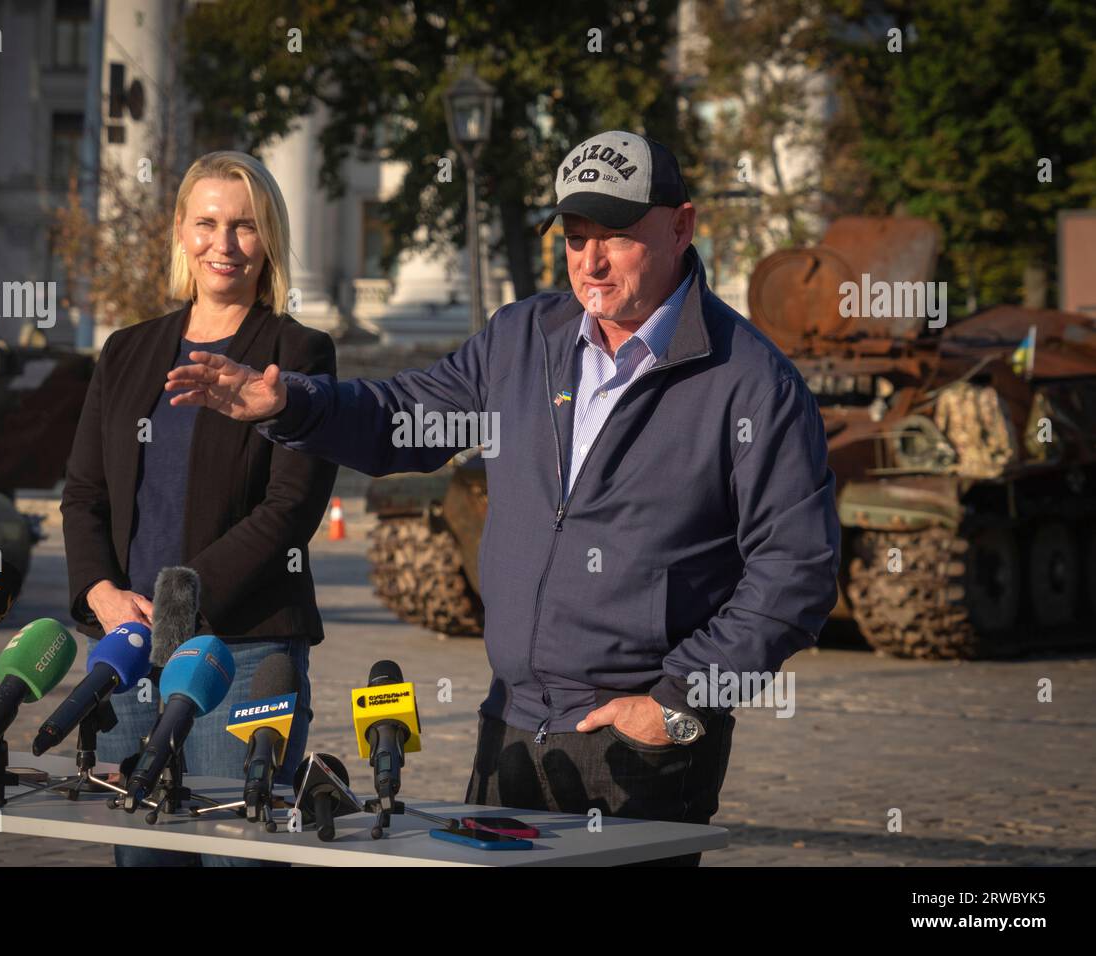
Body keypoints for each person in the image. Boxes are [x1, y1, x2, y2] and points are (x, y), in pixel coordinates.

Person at [166, 131, 841, 865]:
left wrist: (677, 703)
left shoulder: (752, 382)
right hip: (510, 732)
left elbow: (796, 573)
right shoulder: (524, 336)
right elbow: (404, 418)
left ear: (682, 225)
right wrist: (289, 404)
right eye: (575, 237)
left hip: (640, 753)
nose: (591, 261)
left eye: (616, 235)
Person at [60, 150, 337, 866]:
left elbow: (290, 509)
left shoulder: (297, 350)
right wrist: (100, 592)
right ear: (181, 231)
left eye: (245, 226)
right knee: (144, 857)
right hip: (127, 651)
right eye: (208, 222)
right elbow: (85, 492)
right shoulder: (126, 352)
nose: (225, 244)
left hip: (240, 653)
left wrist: (179, 600)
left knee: (234, 853)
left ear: (269, 237)